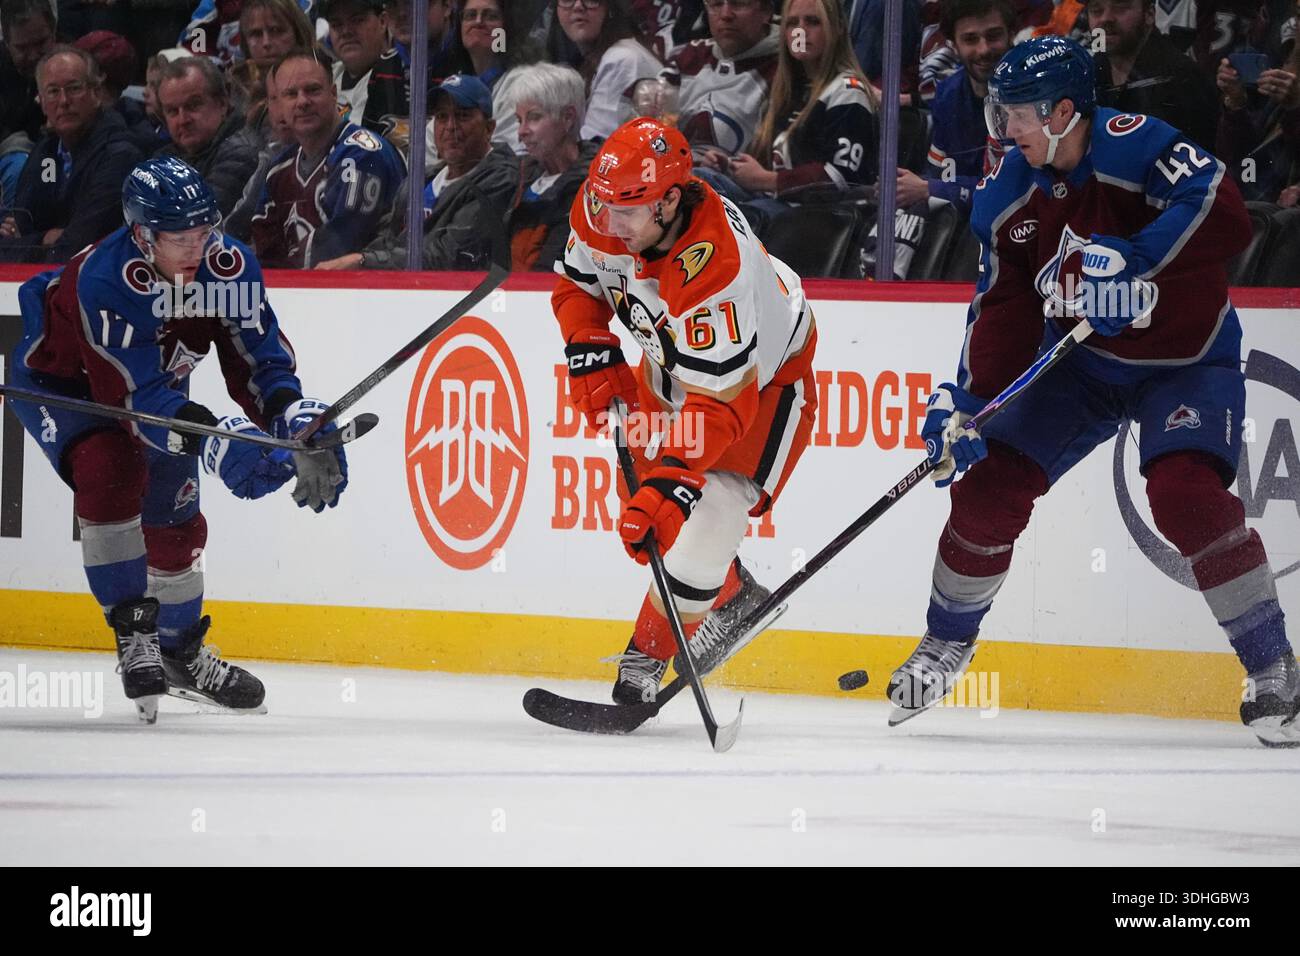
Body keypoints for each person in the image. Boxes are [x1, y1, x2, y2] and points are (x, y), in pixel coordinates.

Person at [888, 37, 1297, 747]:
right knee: (987, 488)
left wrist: (1137, 266)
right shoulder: (1008, 191)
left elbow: (1222, 208)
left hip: (1185, 358)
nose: (1005, 130)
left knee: (1186, 497)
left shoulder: (1137, 146)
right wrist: (967, 402)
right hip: (1077, 365)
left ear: (1062, 111)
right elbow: (1003, 308)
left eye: (1016, 114)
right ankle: (944, 644)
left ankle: (1274, 669)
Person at [4, 156, 348, 722]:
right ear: (142, 233)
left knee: (177, 509)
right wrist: (217, 437)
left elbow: (259, 362)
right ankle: (133, 629)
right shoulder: (107, 278)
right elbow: (132, 402)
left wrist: (295, 418)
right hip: (67, 385)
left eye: (203, 231)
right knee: (110, 470)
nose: (196, 247)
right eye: (180, 237)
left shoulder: (226, 265)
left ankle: (179, 649)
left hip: (152, 393)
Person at [552, 117, 819, 704]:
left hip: (759, 384)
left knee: (709, 507)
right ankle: (734, 601)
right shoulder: (607, 205)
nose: (611, 225)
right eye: (604, 206)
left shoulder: (714, 268)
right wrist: (587, 341)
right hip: (672, 364)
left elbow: (722, 406)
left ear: (670, 200)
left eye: (630, 211)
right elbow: (577, 287)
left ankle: (646, 656)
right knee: (646, 510)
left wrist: (675, 482)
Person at [699, 0, 875, 234]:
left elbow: (841, 178)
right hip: (774, 202)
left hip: (816, 215)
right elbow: (773, 165)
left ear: (838, 28)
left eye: (812, 22)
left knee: (741, 218)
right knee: (698, 181)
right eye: (792, 23)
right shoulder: (788, 91)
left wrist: (765, 180)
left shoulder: (848, 91)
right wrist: (730, 166)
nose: (801, 32)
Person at [316, 73, 519, 271]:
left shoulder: (499, 180)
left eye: (462, 115)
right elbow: (386, 238)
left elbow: (447, 256)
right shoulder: (422, 179)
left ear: (489, 128)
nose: (450, 127)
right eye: (441, 116)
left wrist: (364, 262)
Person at [249, 51, 406, 268]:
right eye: (291, 94)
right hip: (301, 294)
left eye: (312, 90)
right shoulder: (279, 170)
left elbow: (341, 246)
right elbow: (266, 253)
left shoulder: (363, 154)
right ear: (279, 104)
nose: (302, 101)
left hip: (365, 294)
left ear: (334, 93)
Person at [0, 46, 145, 263]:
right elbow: (19, 225)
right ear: (42, 102)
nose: (64, 101)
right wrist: (44, 239)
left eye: (74, 88)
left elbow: (76, 249)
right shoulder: (47, 150)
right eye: (53, 91)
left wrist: (30, 242)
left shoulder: (120, 155)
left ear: (96, 93)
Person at [896, 0, 1014, 216]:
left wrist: (931, 189)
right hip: (961, 219)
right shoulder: (947, 94)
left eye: (994, 36)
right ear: (953, 45)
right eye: (970, 39)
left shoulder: (1032, 94)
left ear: (1010, 35)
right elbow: (938, 172)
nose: (983, 49)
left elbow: (1014, 190)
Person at [1089, 0, 1219, 151]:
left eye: (1120, 7)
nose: (1106, 18)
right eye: (1096, 10)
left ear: (1149, 14)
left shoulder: (1183, 80)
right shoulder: (1089, 72)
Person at [663, 0, 780, 166]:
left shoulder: (786, 69)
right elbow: (649, 132)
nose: (725, 15)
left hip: (735, 187)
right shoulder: (688, 56)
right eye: (716, 4)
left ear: (766, 12)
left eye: (739, 4)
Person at [508, 62, 600, 271]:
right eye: (518, 120)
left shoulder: (592, 189)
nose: (521, 131)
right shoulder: (515, 177)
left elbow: (548, 273)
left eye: (534, 117)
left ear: (568, 117)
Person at [155, 56, 263, 216]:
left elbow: (197, 219)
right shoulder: (166, 156)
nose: (183, 120)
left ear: (222, 104)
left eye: (193, 105)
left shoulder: (241, 151)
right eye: (172, 111)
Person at [545, 0, 663, 140]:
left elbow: (598, 146)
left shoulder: (622, 59)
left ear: (610, 7)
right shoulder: (599, 57)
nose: (577, 6)